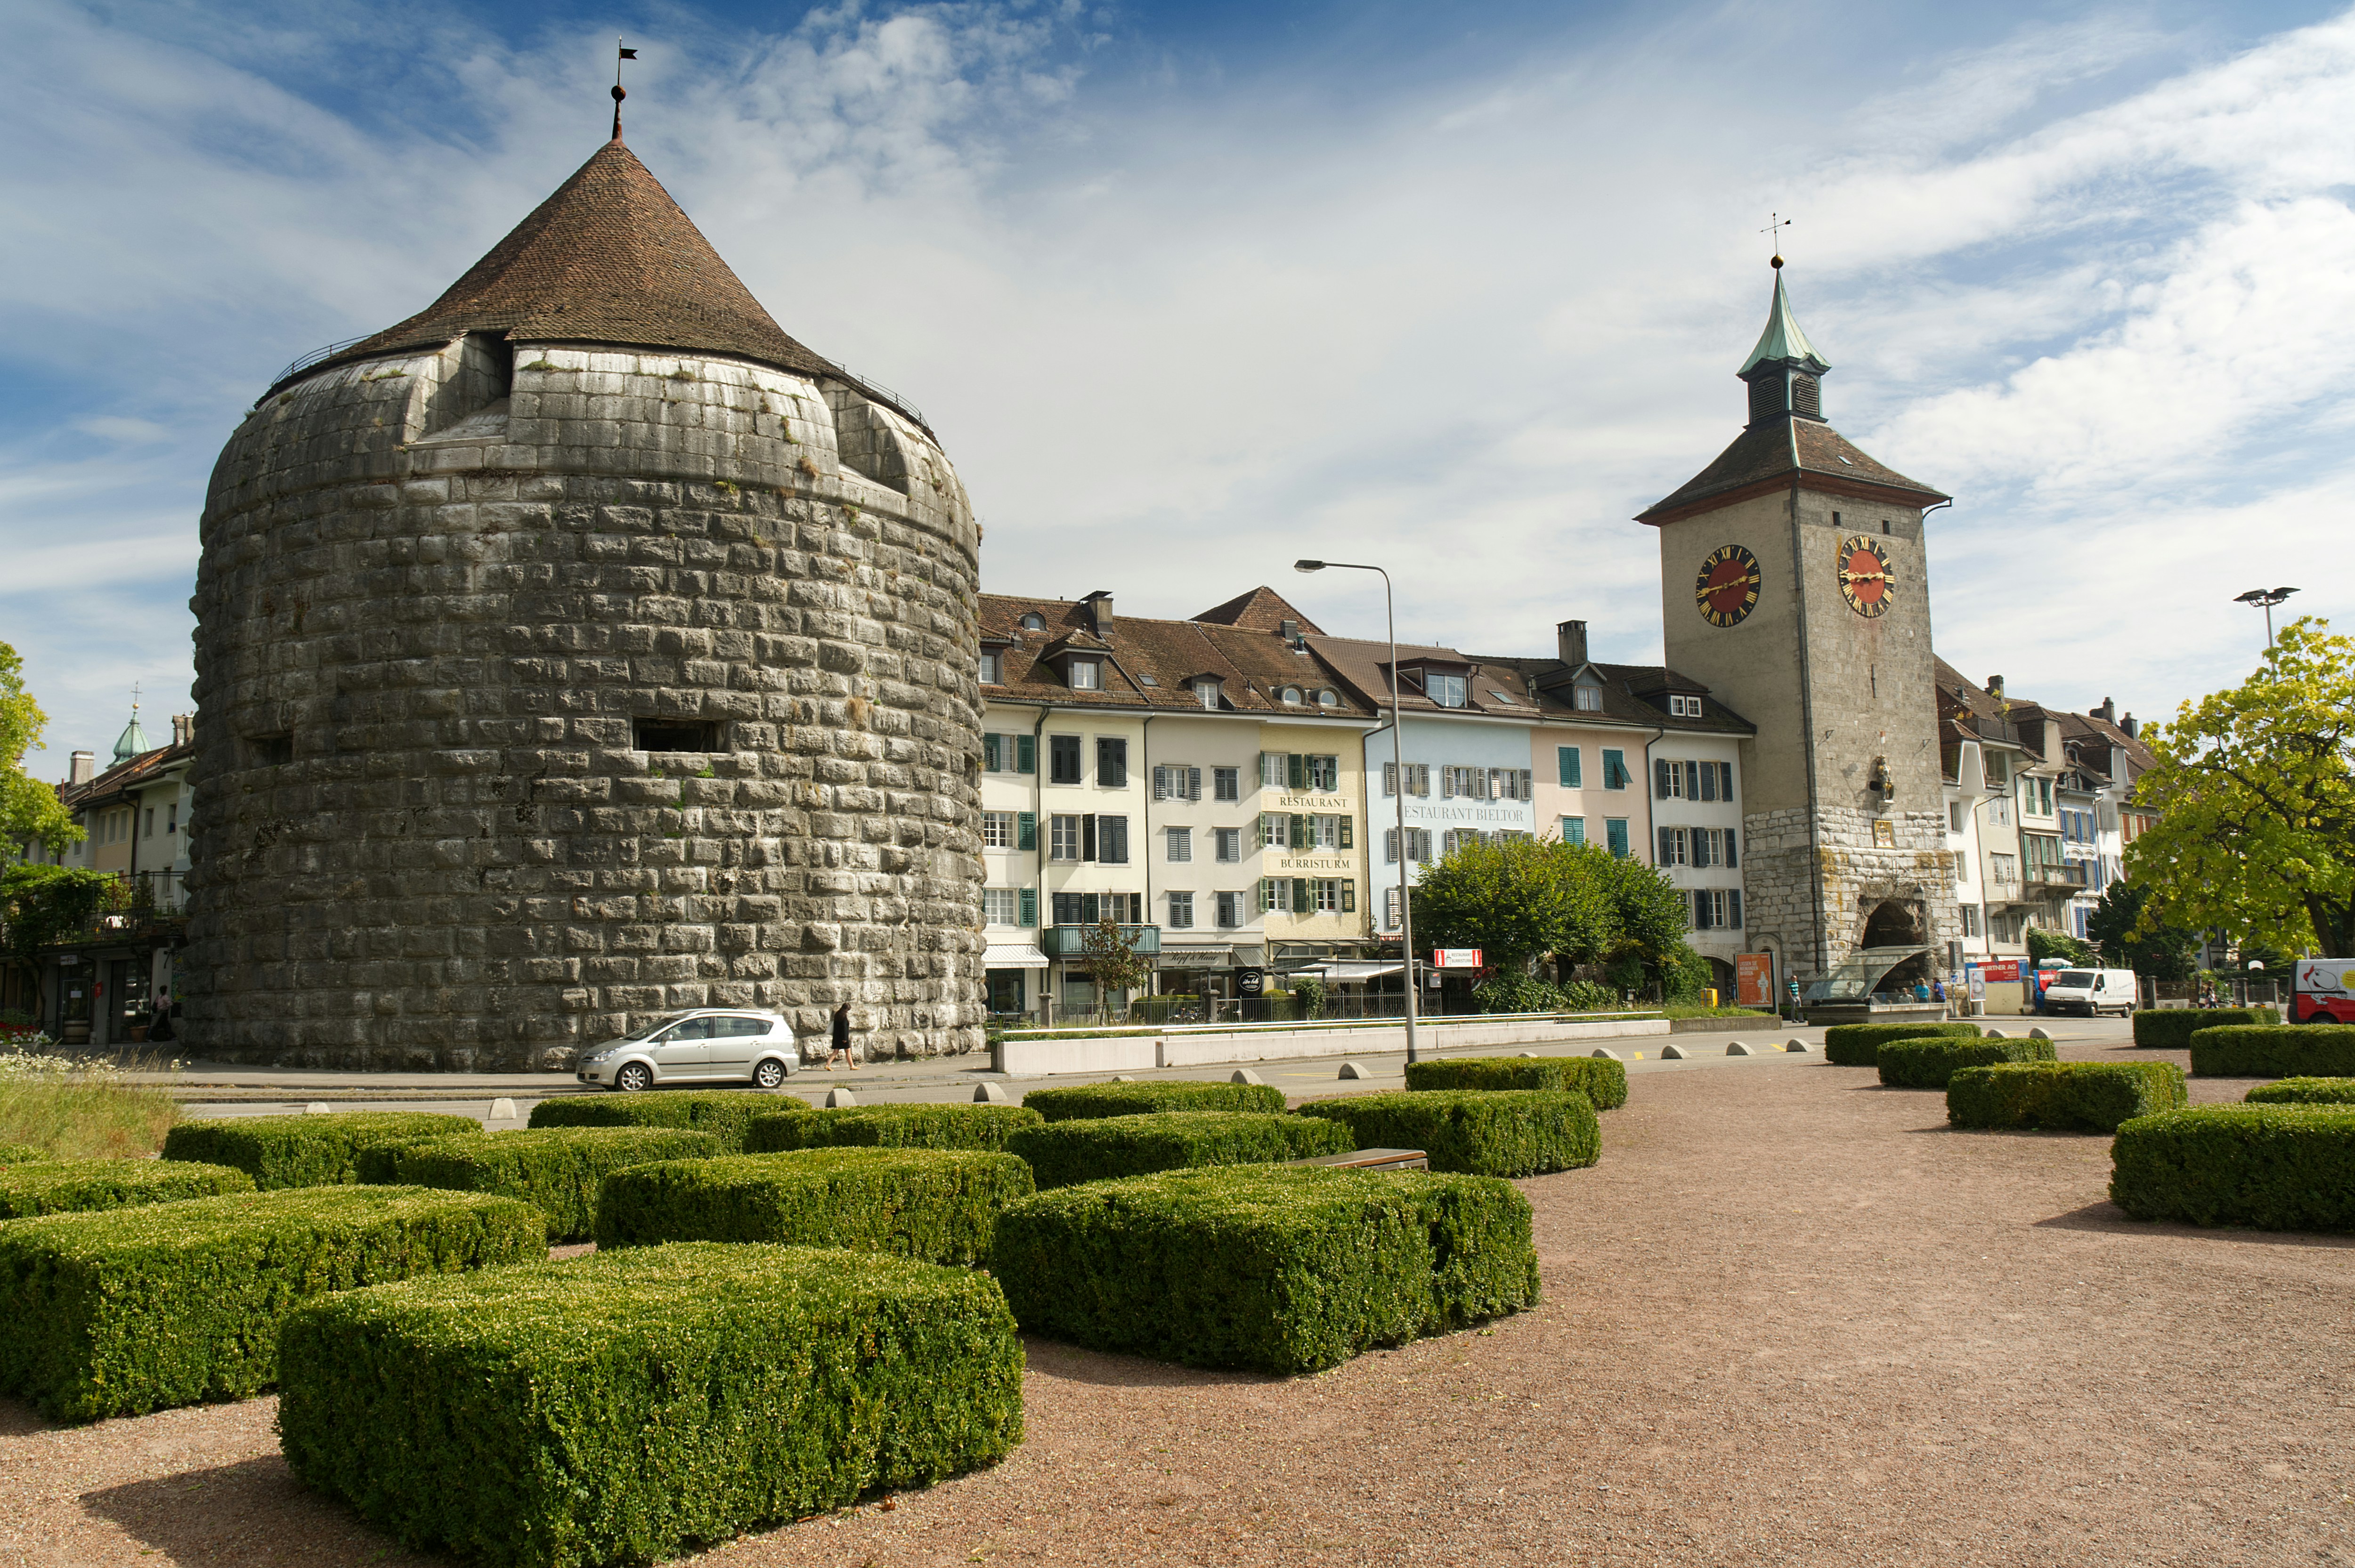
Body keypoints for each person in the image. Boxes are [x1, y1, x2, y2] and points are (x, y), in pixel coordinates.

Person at [826, 1002, 858, 1070]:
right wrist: (845, 1038)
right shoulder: (844, 1017)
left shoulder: (838, 1015)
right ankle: (852, 1066)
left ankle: (828, 1065)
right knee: (848, 1051)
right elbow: (845, 1028)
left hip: (837, 1037)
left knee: (836, 1051)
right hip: (843, 1038)